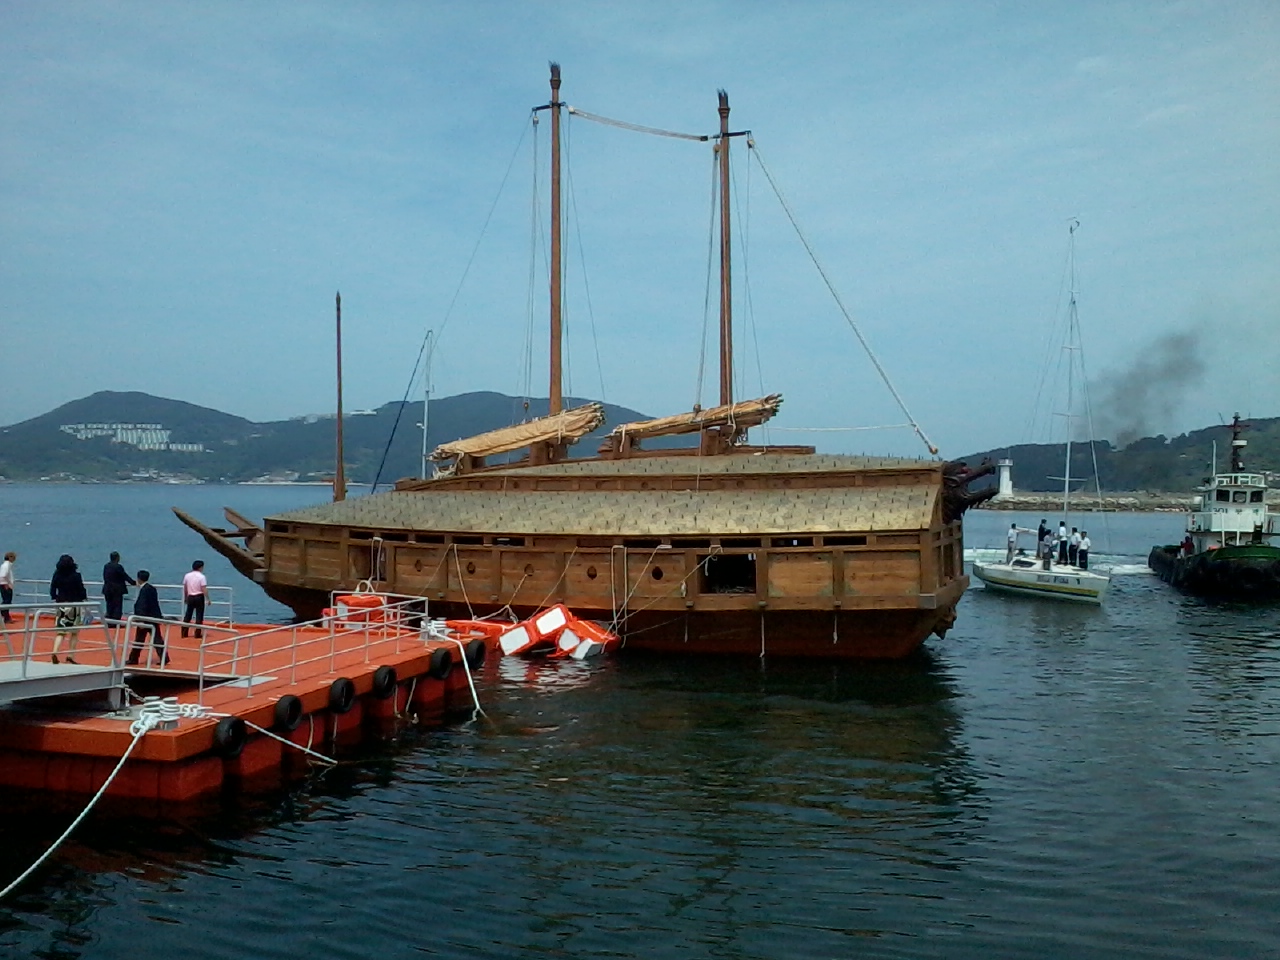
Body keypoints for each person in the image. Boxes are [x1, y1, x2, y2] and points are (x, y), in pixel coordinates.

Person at [50, 554, 87, 664]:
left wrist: (55, 597)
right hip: (75, 605)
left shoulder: (57, 574)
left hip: (61, 604)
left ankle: (55, 652)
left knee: (61, 632)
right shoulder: (76, 576)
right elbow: (81, 589)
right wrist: (84, 598)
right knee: (74, 632)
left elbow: (52, 588)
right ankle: (70, 655)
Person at [126, 569, 167, 666]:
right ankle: (164, 658)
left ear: (139, 579)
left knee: (139, 640)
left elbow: (142, 605)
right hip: (153, 617)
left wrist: (140, 619)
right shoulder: (152, 588)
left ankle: (133, 659)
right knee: (156, 639)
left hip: (145, 619)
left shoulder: (144, 590)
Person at [101, 551, 136, 626]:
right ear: (117, 558)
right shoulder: (118, 567)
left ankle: (109, 622)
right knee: (117, 606)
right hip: (116, 590)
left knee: (109, 606)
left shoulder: (106, 566)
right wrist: (133, 583)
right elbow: (124, 576)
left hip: (107, 589)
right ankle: (116, 623)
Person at [181, 559, 209, 639]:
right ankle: (197, 633)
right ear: (200, 567)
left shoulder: (187, 575)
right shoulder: (202, 577)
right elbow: (204, 588)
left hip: (190, 596)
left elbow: (185, 588)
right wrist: (208, 598)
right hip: (199, 596)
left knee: (188, 615)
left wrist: (186, 597)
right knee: (199, 615)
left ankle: (184, 632)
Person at [0, 551, 15, 624]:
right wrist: (6, 584)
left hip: (5, 585)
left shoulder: (5, 565)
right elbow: (3, 575)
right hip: (6, 585)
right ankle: (5, 616)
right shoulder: (7, 565)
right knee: (7, 601)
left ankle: (6, 616)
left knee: (6, 601)